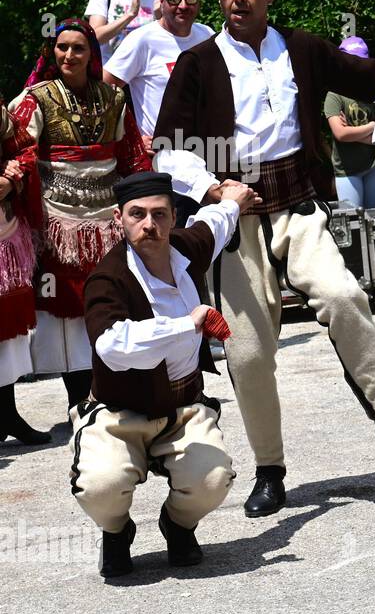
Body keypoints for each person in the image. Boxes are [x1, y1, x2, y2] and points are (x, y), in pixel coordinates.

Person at [153, 0, 375, 518]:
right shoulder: (198, 63)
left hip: (298, 205)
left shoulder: (301, 48)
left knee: (345, 295)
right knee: (248, 354)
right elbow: (169, 148)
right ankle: (270, 470)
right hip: (235, 217)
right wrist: (213, 189)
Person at [76, 173, 259, 579]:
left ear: (174, 217)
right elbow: (112, 346)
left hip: (183, 408)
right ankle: (116, 531)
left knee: (213, 479)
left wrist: (234, 199)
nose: (149, 225)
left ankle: (177, 525)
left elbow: (215, 223)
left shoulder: (186, 248)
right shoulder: (108, 278)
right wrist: (188, 324)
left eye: (159, 214)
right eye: (137, 215)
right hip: (120, 413)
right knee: (101, 487)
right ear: (118, 218)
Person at [7, 18, 153, 412]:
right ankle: (80, 398)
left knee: (110, 298)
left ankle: (115, 388)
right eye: (62, 47)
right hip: (58, 221)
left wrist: (145, 203)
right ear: (52, 52)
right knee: (68, 310)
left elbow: (131, 157)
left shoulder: (114, 98)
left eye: (78, 48)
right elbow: (16, 149)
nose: (68, 55)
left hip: (108, 219)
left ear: (92, 55)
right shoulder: (35, 99)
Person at [104, 0, 216, 153]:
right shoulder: (142, 39)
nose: (183, 5)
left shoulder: (207, 35)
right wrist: (129, 136)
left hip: (205, 151)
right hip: (161, 156)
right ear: (162, 1)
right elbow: (102, 89)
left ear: (199, 1)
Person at [0, 106, 45, 446]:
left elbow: (25, 149)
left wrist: (13, 176)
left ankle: (7, 414)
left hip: (5, 231)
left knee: (8, 327)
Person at [325, 37, 375, 210]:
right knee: (353, 221)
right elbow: (340, 134)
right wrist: (371, 127)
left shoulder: (372, 92)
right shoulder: (334, 95)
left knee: (374, 218)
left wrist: (352, 133)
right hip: (346, 172)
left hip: (373, 167)